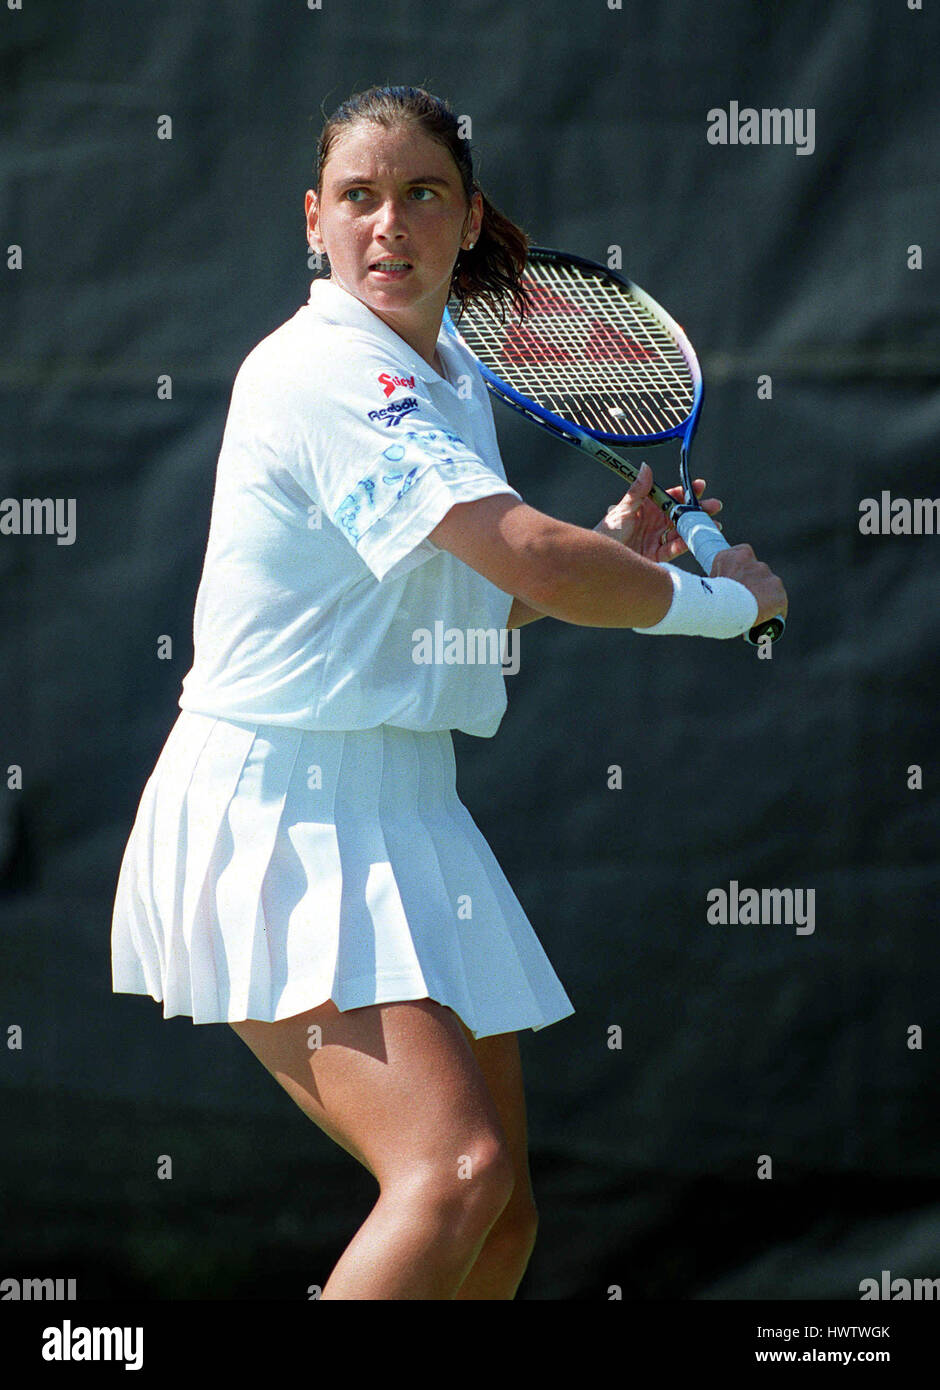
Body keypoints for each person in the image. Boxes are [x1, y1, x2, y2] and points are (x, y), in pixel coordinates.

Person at [110, 85, 787, 1301]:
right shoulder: (324, 373)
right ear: (312, 221)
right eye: (359, 198)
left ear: (469, 219)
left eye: (422, 194)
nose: (389, 224)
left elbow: (486, 601)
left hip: (410, 811)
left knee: (504, 1220)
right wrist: (725, 601)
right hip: (272, 818)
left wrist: (616, 554)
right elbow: (527, 559)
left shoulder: (452, 372)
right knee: (451, 1174)